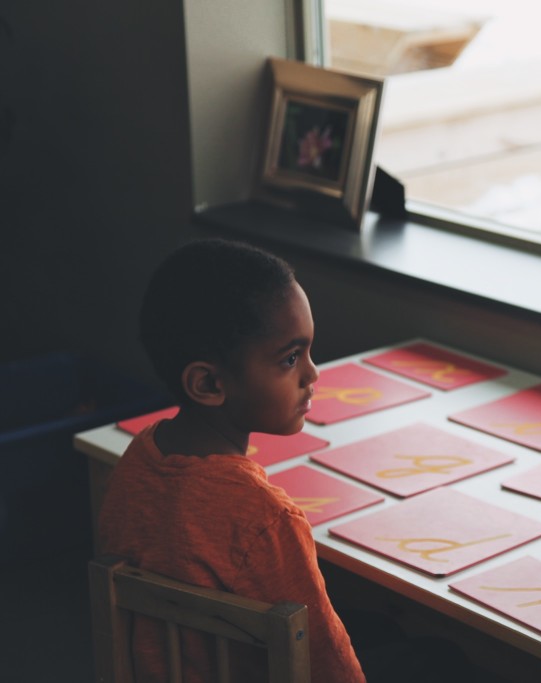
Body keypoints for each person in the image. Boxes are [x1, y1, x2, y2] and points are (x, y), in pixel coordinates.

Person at [98, 238, 367, 682]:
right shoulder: (265, 518)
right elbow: (328, 664)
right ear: (207, 383)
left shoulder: (136, 460)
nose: (313, 374)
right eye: (290, 358)